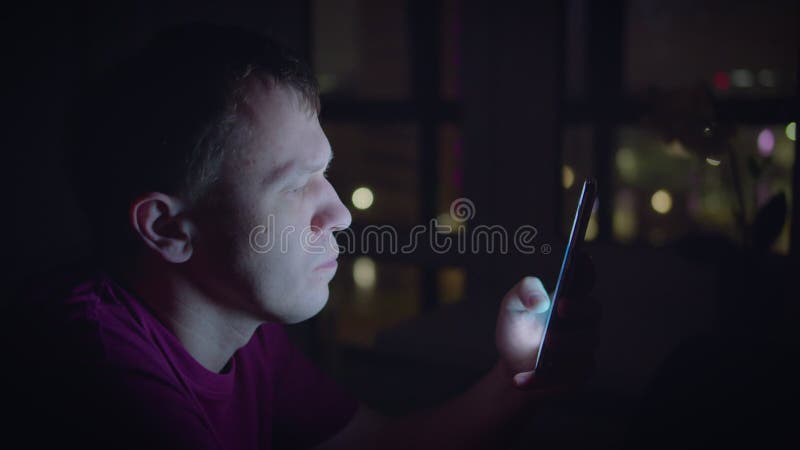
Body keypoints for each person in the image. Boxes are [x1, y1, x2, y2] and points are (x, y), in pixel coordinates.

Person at [7, 23, 597, 450]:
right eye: (294, 186)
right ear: (168, 229)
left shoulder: (242, 328)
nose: (339, 213)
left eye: (325, 172)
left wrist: (517, 378)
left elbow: (379, 445)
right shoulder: (103, 377)